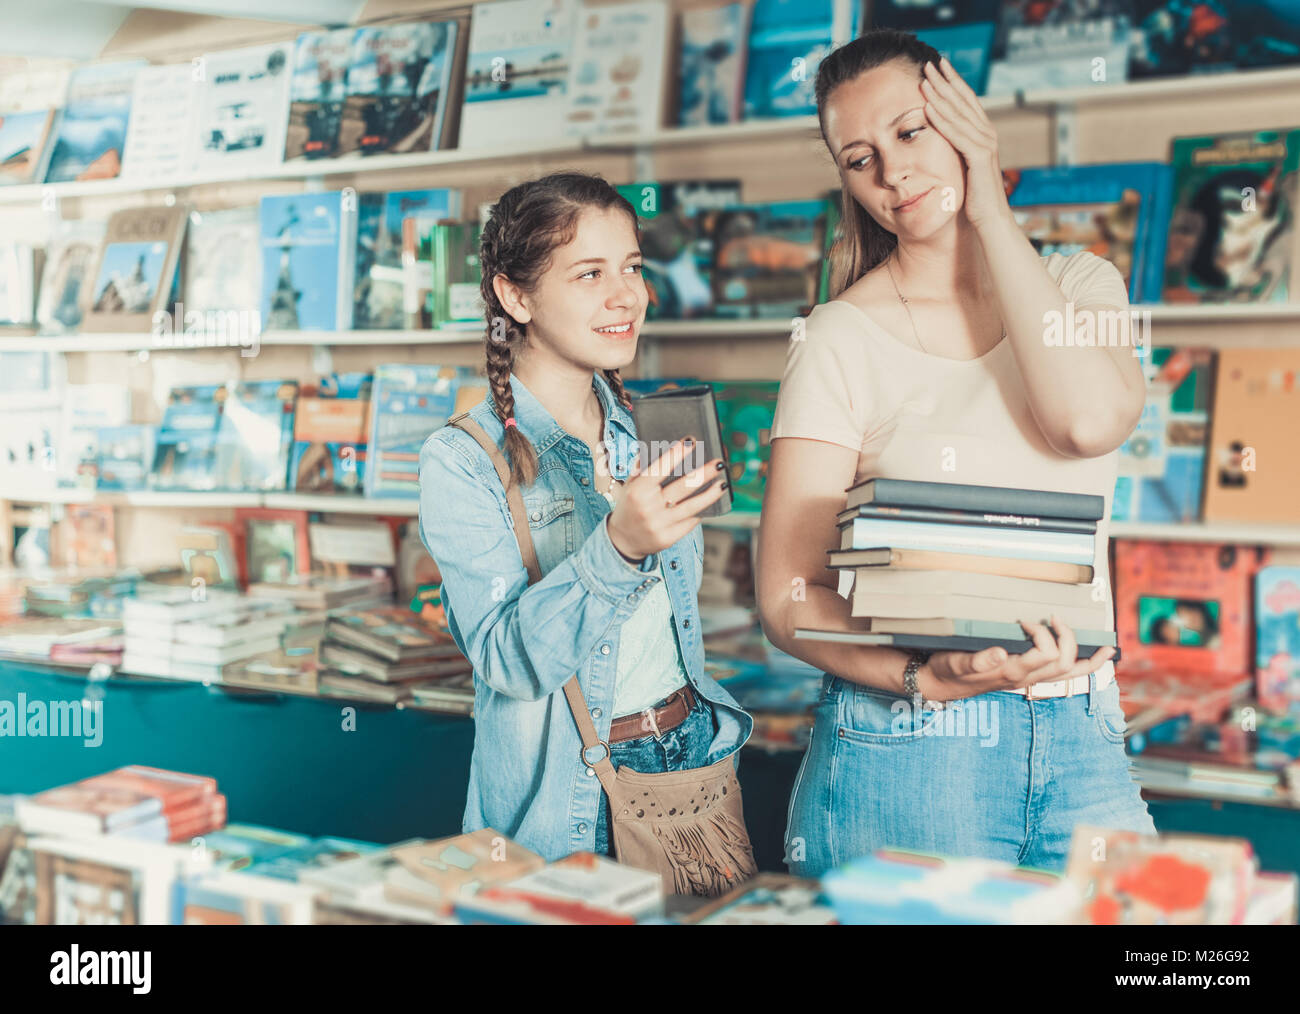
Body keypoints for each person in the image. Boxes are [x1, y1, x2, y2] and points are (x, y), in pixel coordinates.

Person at [756, 29, 1155, 877]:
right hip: (909, 743)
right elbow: (789, 597)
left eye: (911, 133)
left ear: (965, 119)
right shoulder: (838, 337)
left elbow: (1084, 424)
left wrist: (988, 208)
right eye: (859, 158)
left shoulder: (1085, 284)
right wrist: (925, 677)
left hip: (1084, 727)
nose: (893, 175)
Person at [418, 171, 753, 861]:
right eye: (589, 273)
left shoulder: (651, 430)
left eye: (632, 266)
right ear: (516, 296)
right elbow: (508, 661)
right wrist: (619, 548)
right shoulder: (461, 462)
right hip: (573, 798)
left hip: (695, 763)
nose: (626, 294)